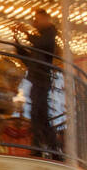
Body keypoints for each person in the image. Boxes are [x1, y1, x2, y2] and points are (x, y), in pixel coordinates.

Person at [12, 8, 60, 159]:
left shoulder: (50, 34)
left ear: (46, 20)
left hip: (41, 80)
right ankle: (44, 147)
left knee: (38, 114)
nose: (35, 22)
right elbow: (29, 60)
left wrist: (26, 33)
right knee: (39, 115)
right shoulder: (41, 41)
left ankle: (45, 147)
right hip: (37, 79)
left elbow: (40, 44)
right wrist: (18, 45)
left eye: (37, 19)